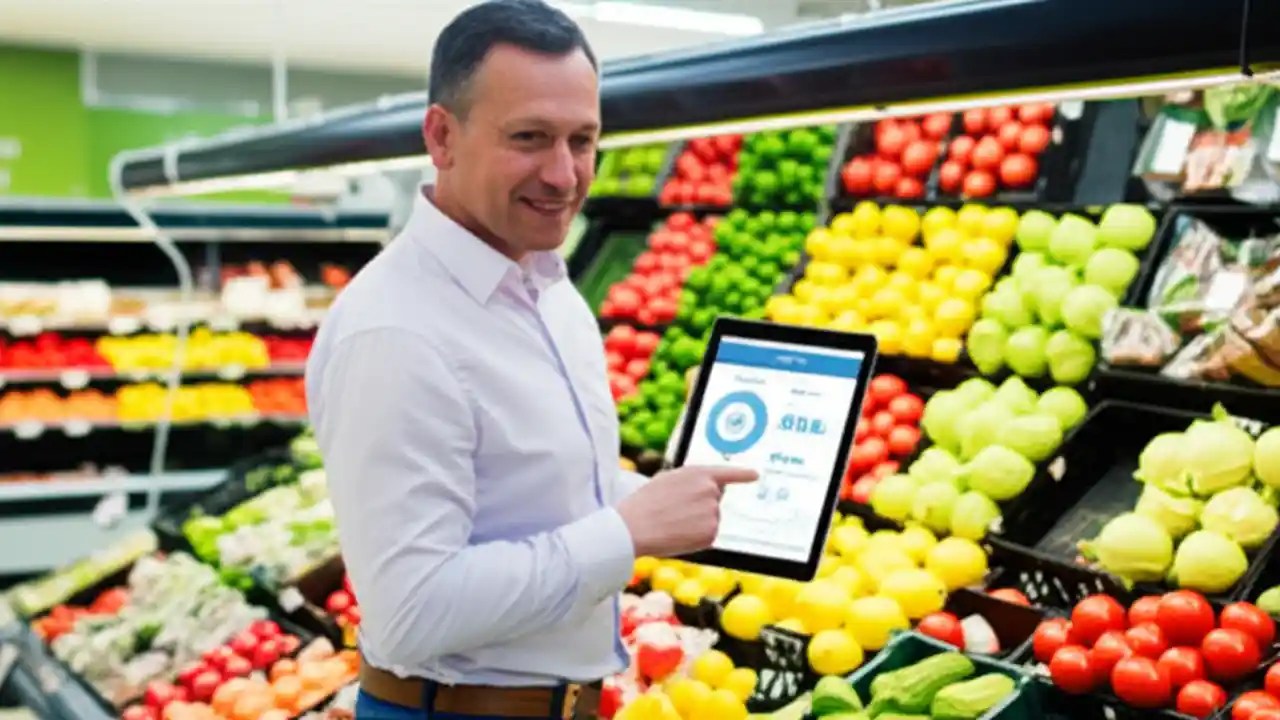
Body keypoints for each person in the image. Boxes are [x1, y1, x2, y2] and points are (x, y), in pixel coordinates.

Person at [303, 2, 757, 719]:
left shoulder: (547, 287)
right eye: (529, 138)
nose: (563, 174)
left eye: (583, 140)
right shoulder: (395, 330)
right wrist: (631, 531)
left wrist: (666, 501)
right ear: (442, 136)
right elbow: (410, 610)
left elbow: (533, 485)